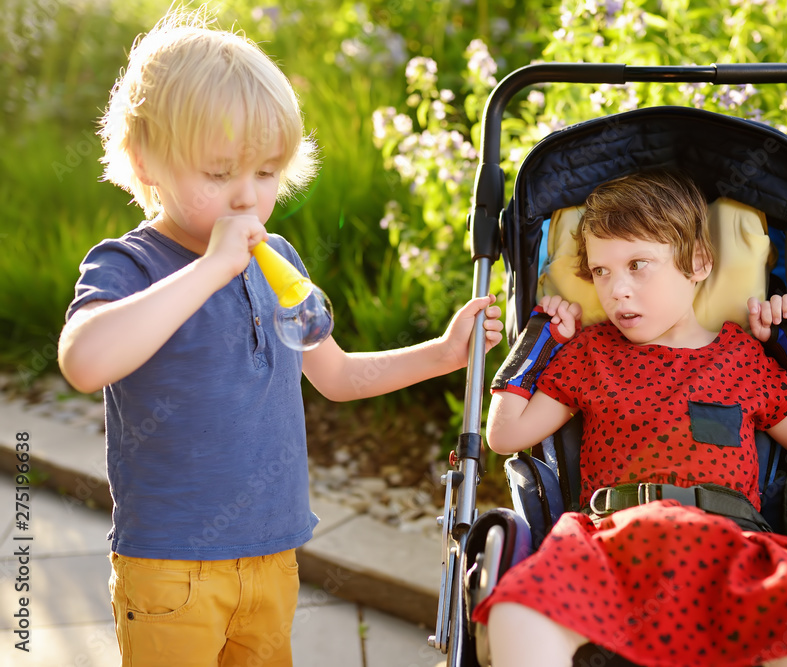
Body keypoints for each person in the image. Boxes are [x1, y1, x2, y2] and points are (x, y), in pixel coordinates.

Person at [56, 7, 502, 667]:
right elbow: (85, 360)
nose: (246, 198)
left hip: (273, 554)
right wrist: (209, 270)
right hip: (169, 569)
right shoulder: (132, 265)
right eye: (218, 173)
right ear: (146, 160)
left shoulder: (280, 261)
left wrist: (443, 352)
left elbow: (338, 374)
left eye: (265, 174)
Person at [475, 170, 787, 667]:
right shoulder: (591, 354)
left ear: (699, 263)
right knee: (517, 612)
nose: (617, 290)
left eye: (638, 265)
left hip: (731, 548)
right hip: (612, 543)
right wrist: (539, 342)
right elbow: (504, 433)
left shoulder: (744, 358)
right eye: (601, 272)